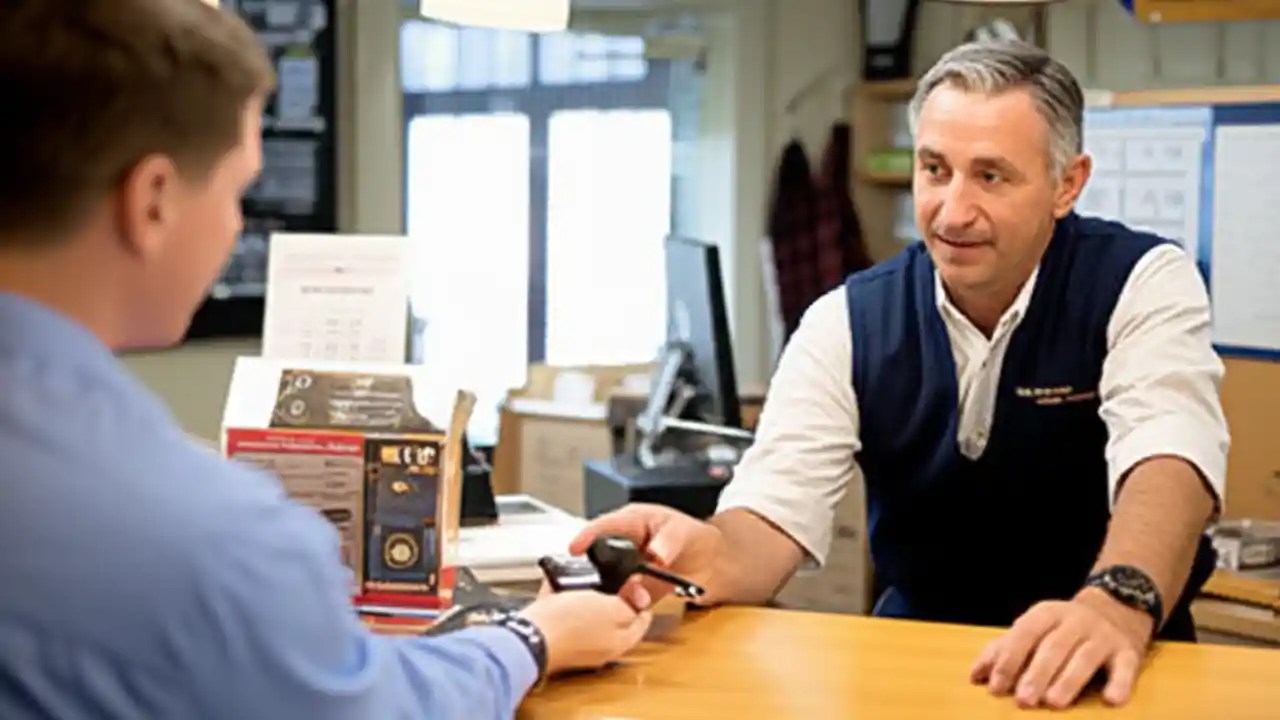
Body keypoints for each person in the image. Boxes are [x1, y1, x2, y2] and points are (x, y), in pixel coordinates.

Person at [0, 2, 650, 719]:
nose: (236, 226)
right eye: (236, 190)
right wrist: (531, 637)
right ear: (151, 201)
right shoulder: (212, 541)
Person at [575, 39, 1228, 711]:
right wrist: (703, 552)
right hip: (918, 665)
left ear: (1068, 183)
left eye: (991, 176)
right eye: (935, 168)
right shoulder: (846, 319)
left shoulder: (1142, 282)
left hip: (1108, 657)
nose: (952, 210)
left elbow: (1169, 459)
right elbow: (771, 516)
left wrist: (1117, 602)